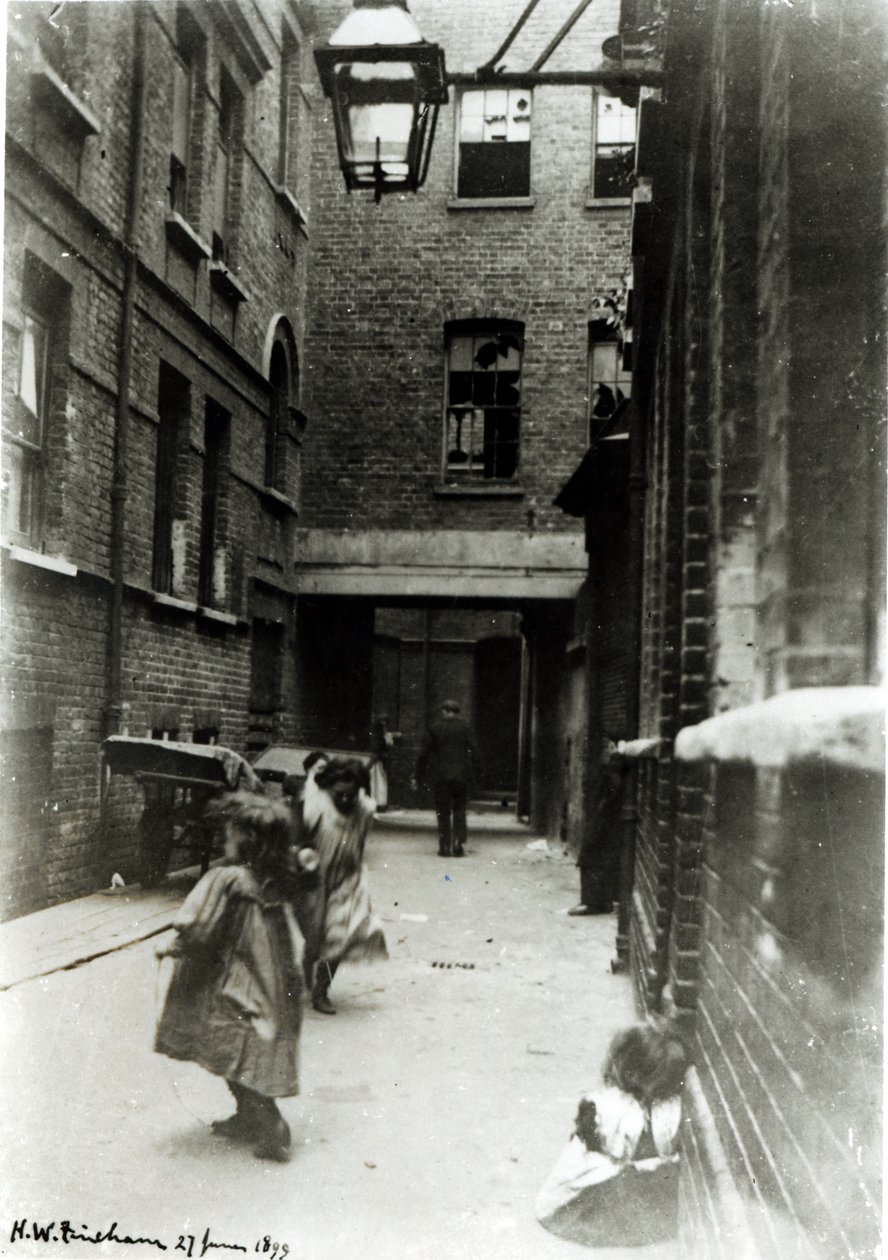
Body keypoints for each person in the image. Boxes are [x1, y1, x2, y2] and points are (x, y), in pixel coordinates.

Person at [154, 791, 312, 1163]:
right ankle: (248, 1116)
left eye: (230, 833)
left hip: (239, 977)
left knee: (229, 1042)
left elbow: (202, 923)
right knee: (249, 1050)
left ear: (248, 841)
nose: (225, 840)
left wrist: (176, 945)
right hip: (272, 979)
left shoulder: (227, 878)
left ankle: (272, 1126)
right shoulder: (273, 879)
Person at [536, 1018, 688, 1247]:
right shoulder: (617, 1111)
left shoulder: (626, 1103)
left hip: (596, 1183)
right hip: (577, 1201)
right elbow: (639, 1155)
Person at [294, 755, 388, 1014]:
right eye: (340, 794)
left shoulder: (365, 809)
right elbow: (298, 839)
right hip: (314, 878)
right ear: (327, 788)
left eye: (351, 794)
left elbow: (359, 843)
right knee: (315, 937)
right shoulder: (315, 806)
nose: (346, 799)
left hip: (348, 878)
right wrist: (300, 855)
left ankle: (322, 990)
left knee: (340, 935)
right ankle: (307, 965)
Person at [411, 699, 481, 858]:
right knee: (459, 810)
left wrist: (417, 775)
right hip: (461, 776)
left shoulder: (434, 728)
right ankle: (458, 843)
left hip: (440, 777)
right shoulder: (465, 727)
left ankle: (444, 846)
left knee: (442, 812)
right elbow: (475, 752)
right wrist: (476, 773)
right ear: (457, 712)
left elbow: (423, 754)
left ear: (444, 711)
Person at [569, 738, 625, 916]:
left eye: (609, 746)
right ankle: (600, 901)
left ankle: (592, 903)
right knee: (598, 858)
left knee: (589, 856)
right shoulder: (613, 766)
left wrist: (602, 808)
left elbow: (614, 790)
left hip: (605, 821)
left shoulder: (614, 766)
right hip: (607, 820)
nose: (606, 750)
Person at [369, 714, 400, 812]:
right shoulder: (379, 735)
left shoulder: (381, 734)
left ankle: (380, 803)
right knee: (379, 782)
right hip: (379, 760)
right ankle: (379, 803)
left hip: (380, 760)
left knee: (379, 782)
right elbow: (381, 747)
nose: (384, 725)